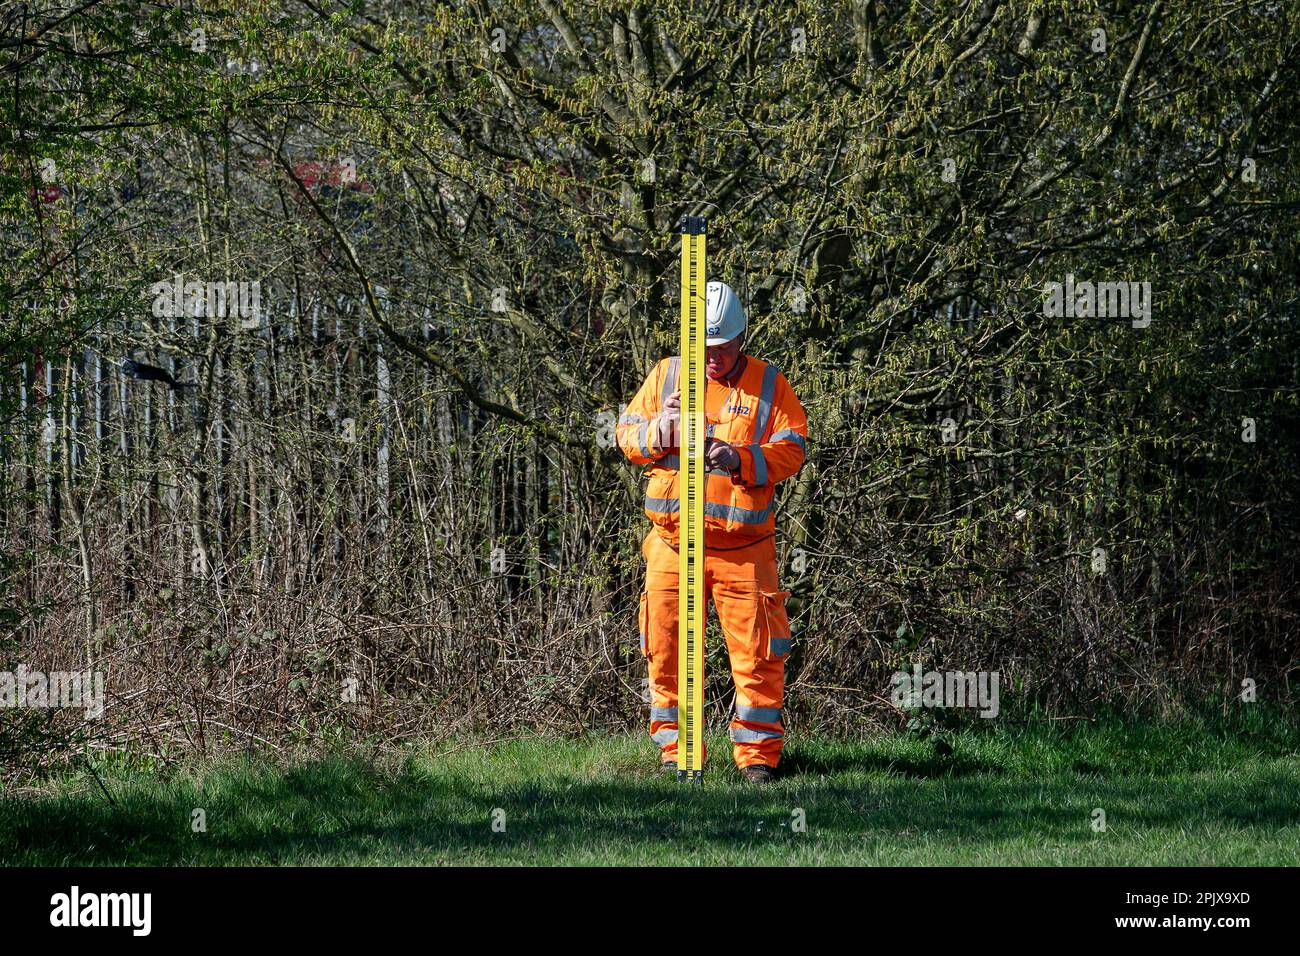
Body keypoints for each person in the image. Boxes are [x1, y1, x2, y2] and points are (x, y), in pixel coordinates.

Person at [616, 281, 808, 783]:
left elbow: (793, 449)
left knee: (757, 656)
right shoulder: (666, 374)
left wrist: (742, 458)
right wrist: (658, 431)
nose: (713, 358)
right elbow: (625, 434)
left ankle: (758, 759)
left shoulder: (770, 385)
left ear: (741, 338)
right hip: (671, 544)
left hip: (744, 550)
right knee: (666, 650)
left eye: (722, 348)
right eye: (703, 348)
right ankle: (678, 754)